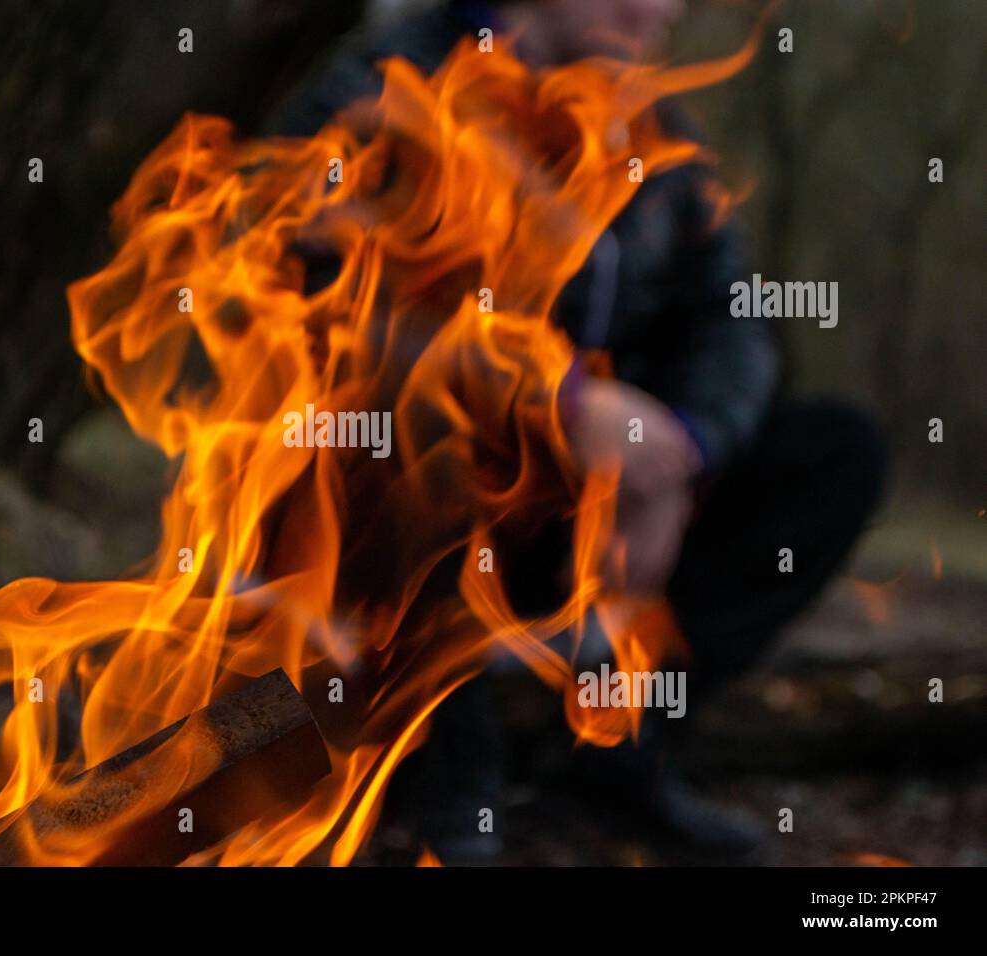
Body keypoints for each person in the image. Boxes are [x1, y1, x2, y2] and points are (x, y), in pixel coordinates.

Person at [268, 0, 886, 861]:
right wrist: (556, 405)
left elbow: (733, 319)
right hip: (413, 512)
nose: (662, 9)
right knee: (389, 421)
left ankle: (613, 741)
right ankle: (442, 768)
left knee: (836, 453)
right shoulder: (385, 87)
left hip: (593, 521)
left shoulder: (657, 137)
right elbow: (313, 299)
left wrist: (684, 453)